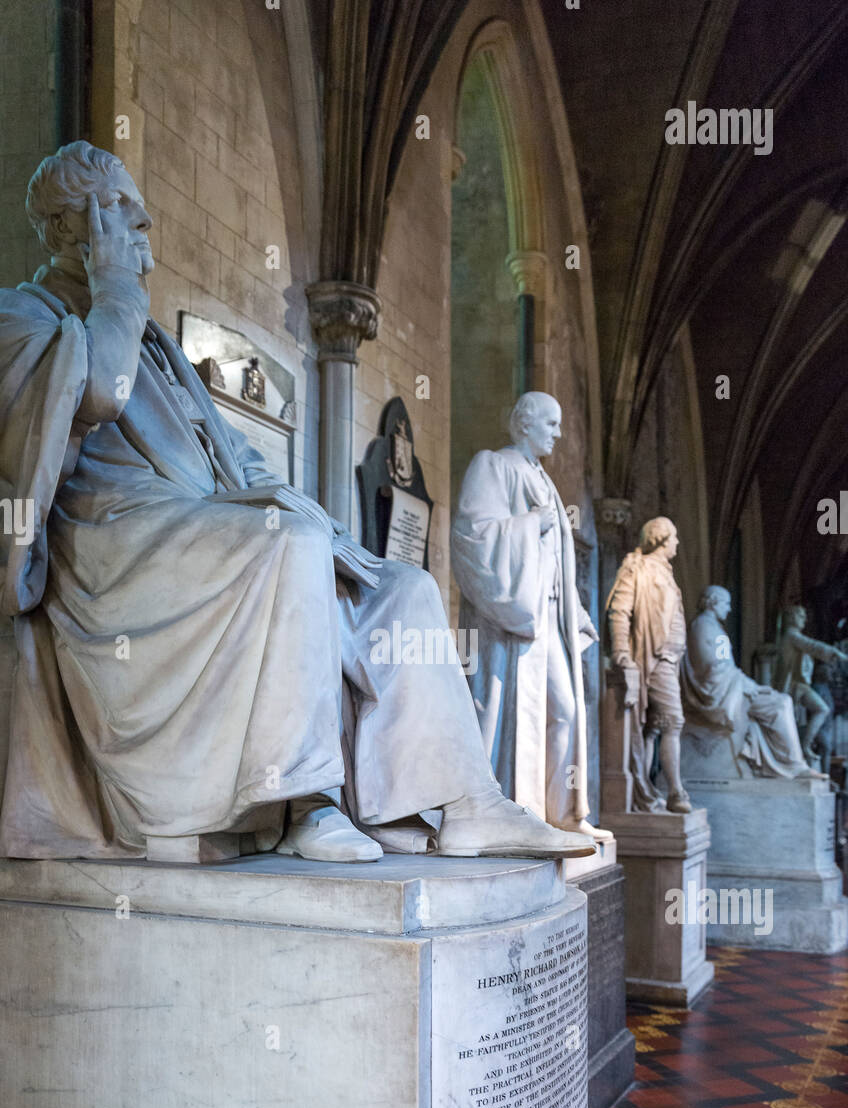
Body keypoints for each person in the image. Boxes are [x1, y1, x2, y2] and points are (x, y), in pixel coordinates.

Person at [0, 142, 595, 865]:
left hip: (200, 535)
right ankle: (307, 803)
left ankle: (467, 801)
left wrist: (311, 512)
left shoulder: (152, 341)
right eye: (120, 210)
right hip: (115, 544)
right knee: (290, 545)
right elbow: (99, 392)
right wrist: (116, 286)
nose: (144, 222)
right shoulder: (22, 315)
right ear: (69, 230)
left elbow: (235, 454)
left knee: (398, 585)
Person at [451, 391, 610, 841]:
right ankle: (517, 814)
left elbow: (558, 559)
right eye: (551, 424)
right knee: (528, 711)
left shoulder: (546, 483)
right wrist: (528, 526)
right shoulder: (492, 465)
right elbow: (471, 536)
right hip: (515, 621)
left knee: (568, 710)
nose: (559, 434)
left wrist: (575, 611)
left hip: (551, 622)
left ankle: (564, 814)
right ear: (524, 424)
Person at [681, 585, 823, 778]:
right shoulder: (702, 626)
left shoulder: (713, 627)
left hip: (730, 687)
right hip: (718, 694)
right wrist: (746, 685)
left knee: (781, 700)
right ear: (713, 602)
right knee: (780, 704)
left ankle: (789, 764)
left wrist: (748, 684)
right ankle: (793, 766)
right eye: (726, 603)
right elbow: (709, 669)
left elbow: (723, 666)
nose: (729, 609)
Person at [606, 516, 692, 813]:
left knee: (654, 727)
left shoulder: (666, 573)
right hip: (652, 659)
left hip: (669, 660)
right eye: (675, 538)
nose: (678, 544)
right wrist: (621, 652)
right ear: (661, 538)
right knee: (672, 721)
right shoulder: (637, 568)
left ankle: (643, 791)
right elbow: (620, 610)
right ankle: (675, 792)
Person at [773, 604, 848, 768]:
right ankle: (803, 744)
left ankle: (804, 744)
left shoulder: (794, 636)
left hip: (800, 685)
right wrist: (836, 653)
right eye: (800, 616)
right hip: (791, 686)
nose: (804, 620)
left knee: (821, 709)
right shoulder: (791, 635)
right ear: (791, 618)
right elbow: (812, 645)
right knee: (819, 710)